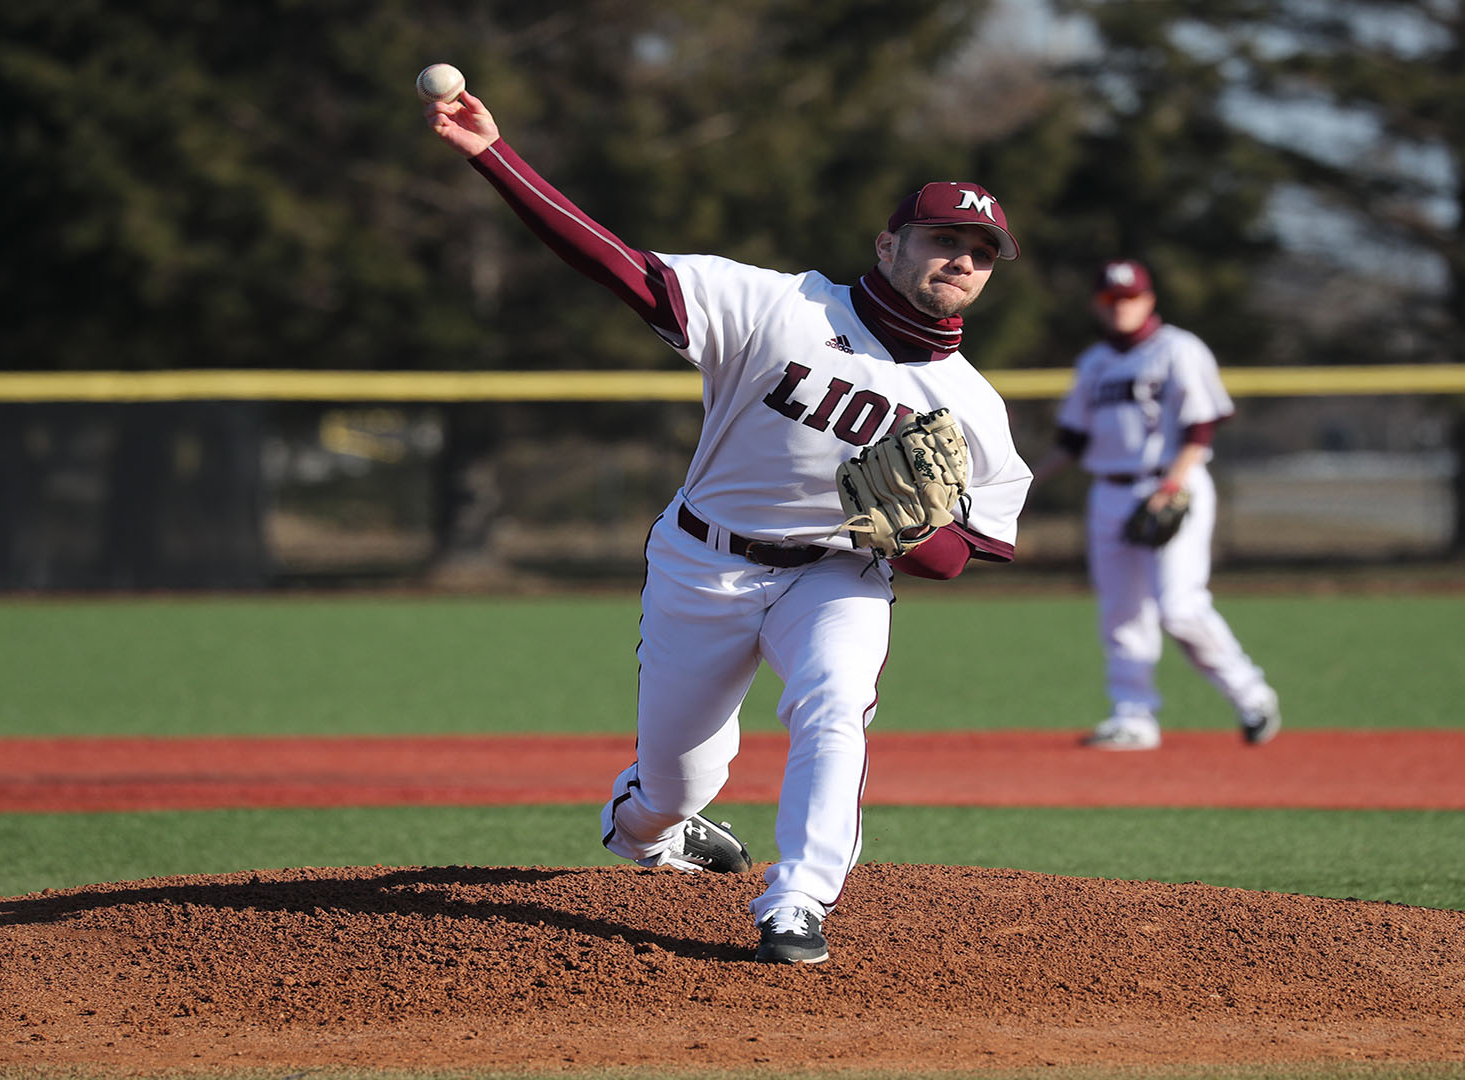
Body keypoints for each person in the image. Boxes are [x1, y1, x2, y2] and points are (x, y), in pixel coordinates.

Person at [426, 89, 1032, 963]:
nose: (962, 260)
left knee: (834, 706)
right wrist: (495, 155)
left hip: (834, 574)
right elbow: (616, 266)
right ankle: (648, 829)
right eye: (944, 239)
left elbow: (963, 555)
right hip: (702, 561)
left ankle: (798, 899)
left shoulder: (972, 404)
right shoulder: (780, 308)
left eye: (981, 252)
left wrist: (913, 534)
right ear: (889, 245)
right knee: (677, 781)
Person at [1029, 258, 1280, 751]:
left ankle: (1251, 693)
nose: (1120, 307)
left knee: (1180, 608)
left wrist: (1172, 484)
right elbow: (1072, 443)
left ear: (1148, 300)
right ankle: (1133, 715)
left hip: (1171, 484)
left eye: (1129, 298)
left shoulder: (1178, 349)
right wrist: (1021, 484)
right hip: (1108, 490)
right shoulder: (1094, 363)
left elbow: (1200, 429)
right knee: (1121, 611)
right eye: (1110, 300)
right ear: (1097, 306)